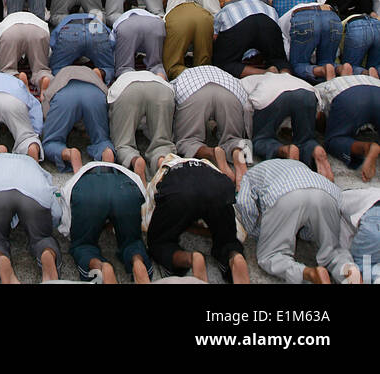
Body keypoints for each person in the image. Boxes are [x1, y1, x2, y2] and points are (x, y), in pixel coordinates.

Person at [234, 155, 360, 285]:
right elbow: (307, 216)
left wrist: (258, 232)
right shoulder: (299, 165)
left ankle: (309, 273)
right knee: (333, 250)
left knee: (270, 256)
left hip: (285, 193)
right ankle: (349, 271)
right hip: (326, 192)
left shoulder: (251, 174)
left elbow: (244, 203)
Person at [144, 154, 249, 283]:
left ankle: (191, 258)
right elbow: (235, 225)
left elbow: (148, 214)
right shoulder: (205, 163)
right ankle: (235, 257)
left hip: (180, 193)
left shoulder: (163, 171)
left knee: (158, 242)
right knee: (228, 240)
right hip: (218, 189)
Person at [0, 150, 61, 283]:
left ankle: (1, 260)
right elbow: (56, 211)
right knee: (42, 238)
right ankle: (47, 256)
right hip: (33, 194)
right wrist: (48, 226)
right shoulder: (34, 165)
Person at [59, 155, 151, 284]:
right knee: (132, 242)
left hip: (89, 191)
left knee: (83, 245)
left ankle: (101, 266)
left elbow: (68, 225)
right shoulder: (124, 171)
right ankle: (138, 262)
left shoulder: (76, 178)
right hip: (126, 186)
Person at [241, 69, 332, 175]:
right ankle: (315, 149)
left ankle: (284, 150)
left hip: (271, 95)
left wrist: (249, 133)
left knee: (260, 140)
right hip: (307, 91)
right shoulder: (284, 76)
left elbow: (247, 108)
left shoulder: (243, 82)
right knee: (305, 139)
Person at [172, 65, 251, 177]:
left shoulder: (180, 78)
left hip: (193, 90)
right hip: (230, 90)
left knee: (188, 140)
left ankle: (212, 153)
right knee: (234, 138)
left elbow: (171, 102)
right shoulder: (225, 74)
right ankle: (237, 152)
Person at [39, 66, 113, 170]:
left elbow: (47, 114)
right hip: (94, 94)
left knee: (51, 142)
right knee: (102, 139)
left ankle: (68, 153)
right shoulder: (90, 72)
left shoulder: (59, 74)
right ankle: (106, 150)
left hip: (64, 95)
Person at [108, 69, 175, 183]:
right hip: (161, 89)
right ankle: (161, 159)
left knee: (123, 143)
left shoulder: (120, 80)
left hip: (128, 89)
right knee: (162, 140)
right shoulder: (154, 76)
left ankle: (135, 159)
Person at [316, 74, 380, 180]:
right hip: (377, 91)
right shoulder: (364, 78)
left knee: (332, 140)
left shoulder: (317, 89)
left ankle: (367, 148)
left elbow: (318, 116)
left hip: (351, 98)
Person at [49, 12, 114, 81]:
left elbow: (53, 43)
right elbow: (111, 42)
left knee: (57, 68)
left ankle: (62, 80)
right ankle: (102, 73)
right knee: (107, 67)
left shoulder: (66, 20)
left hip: (69, 30)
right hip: (96, 30)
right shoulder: (96, 19)